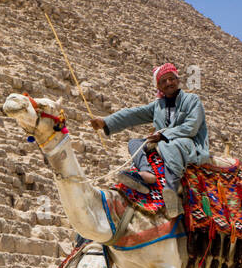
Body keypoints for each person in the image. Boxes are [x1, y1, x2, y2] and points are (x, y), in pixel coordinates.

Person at [89, 63, 208, 191]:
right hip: (162, 142)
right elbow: (133, 114)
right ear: (159, 86)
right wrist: (106, 122)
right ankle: (147, 173)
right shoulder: (158, 106)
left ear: (178, 80)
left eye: (171, 79)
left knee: (172, 145)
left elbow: (191, 126)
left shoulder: (192, 100)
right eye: (163, 81)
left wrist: (163, 135)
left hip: (187, 143)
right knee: (134, 143)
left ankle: (172, 188)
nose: (168, 83)